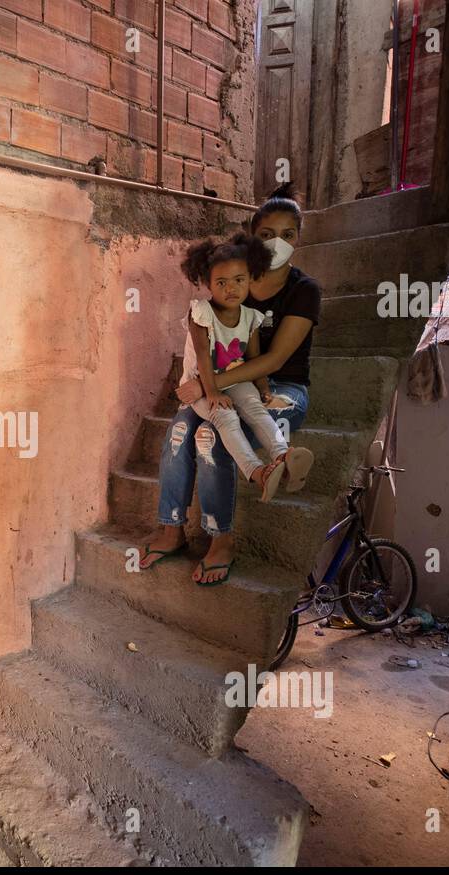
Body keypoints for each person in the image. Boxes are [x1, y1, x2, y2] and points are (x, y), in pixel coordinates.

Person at [140, 184, 321, 585]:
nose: (278, 244)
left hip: (281, 390)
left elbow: (271, 361)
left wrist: (208, 385)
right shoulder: (230, 285)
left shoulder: (303, 291)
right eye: (267, 234)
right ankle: (171, 528)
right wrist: (205, 385)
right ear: (252, 241)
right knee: (181, 429)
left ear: (299, 239)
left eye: (288, 235)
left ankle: (221, 538)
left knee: (212, 436)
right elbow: (204, 343)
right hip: (222, 384)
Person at [179, 233, 305, 518]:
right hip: (200, 384)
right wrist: (212, 393)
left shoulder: (250, 317)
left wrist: (263, 389)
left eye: (239, 280)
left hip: (235, 378)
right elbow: (202, 358)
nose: (231, 288)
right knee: (225, 417)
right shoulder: (201, 314)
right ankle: (257, 472)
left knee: (256, 409)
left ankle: (283, 455)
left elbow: (254, 358)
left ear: (251, 278)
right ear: (208, 284)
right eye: (221, 282)